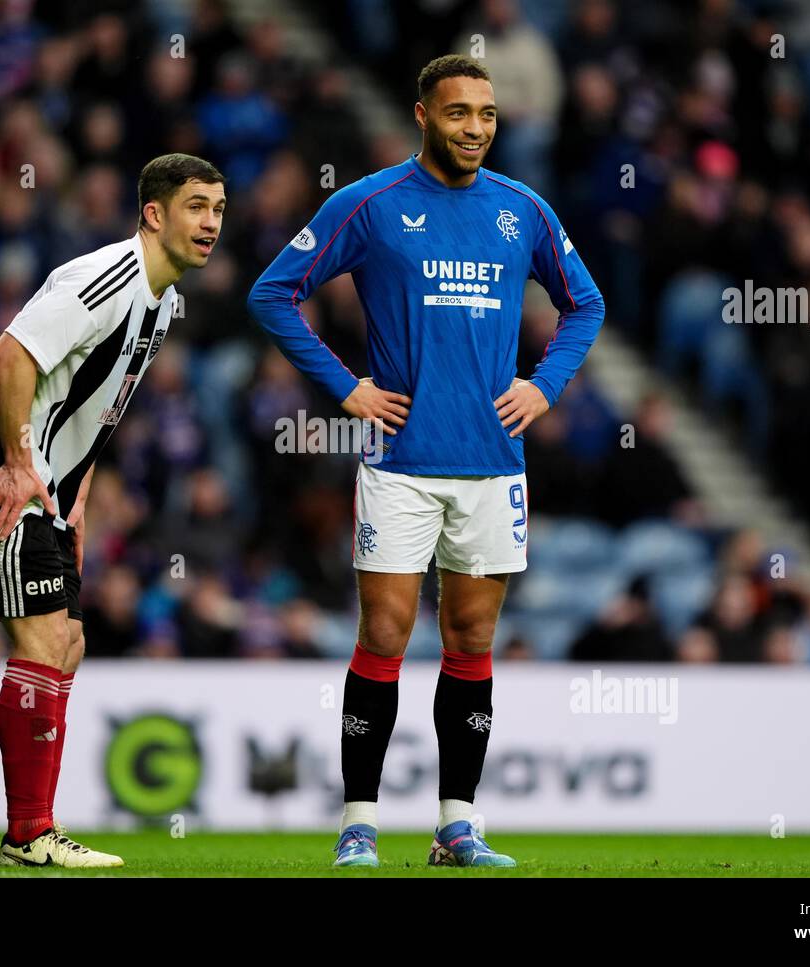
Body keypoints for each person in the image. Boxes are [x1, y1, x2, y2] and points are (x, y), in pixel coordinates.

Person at [248, 55, 605, 868]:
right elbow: (273, 290)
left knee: (472, 636)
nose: (475, 128)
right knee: (383, 630)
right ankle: (359, 824)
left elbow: (587, 303)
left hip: (493, 462)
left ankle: (457, 824)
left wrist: (545, 385)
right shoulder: (369, 204)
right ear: (421, 115)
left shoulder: (523, 210)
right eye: (458, 114)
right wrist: (345, 388)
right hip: (401, 459)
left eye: (485, 114)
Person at [0, 153, 225, 868]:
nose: (211, 222)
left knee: (68, 642)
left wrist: (80, 496)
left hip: (46, 484)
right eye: (196, 206)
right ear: (153, 214)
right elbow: (11, 355)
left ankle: (34, 830)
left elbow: (97, 407)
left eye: (218, 208)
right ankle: (29, 835)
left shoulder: (162, 302)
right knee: (41, 641)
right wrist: (17, 462)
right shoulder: (107, 277)